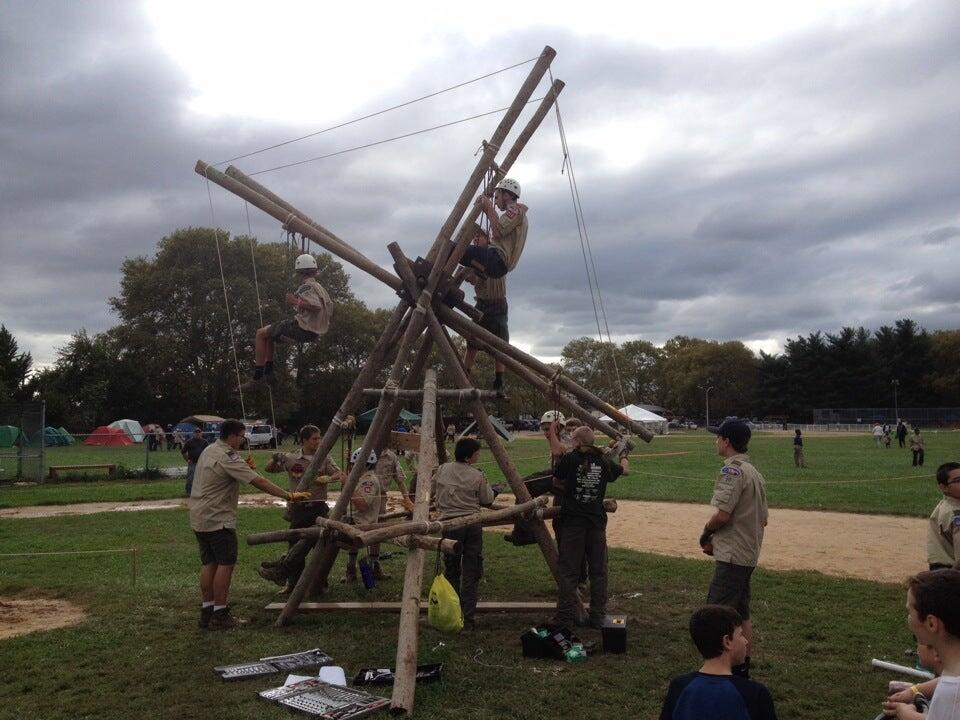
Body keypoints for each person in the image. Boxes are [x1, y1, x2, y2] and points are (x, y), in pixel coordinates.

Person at [189, 419, 311, 629]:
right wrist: (288, 495)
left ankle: (207, 611)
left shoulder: (210, 449)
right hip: (218, 519)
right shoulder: (228, 456)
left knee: (209, 563)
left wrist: (244, 467)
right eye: (241, 436)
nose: (243, 440)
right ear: (232, 436)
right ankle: (220, 614)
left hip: (200, 516)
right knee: (225, 564)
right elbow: (258, 481)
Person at [699, 417, 769, 679]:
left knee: (715, 614)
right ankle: (741, 668)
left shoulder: (733, 471)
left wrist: (707, 532)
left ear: (726, 441)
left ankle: (717, 671)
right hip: (747, 553)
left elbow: (722, 515)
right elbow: (763, 519)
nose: (715, 441)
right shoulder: (754, 472)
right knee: (741, 613)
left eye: (718, 437)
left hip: (732, 556)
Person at [552, 425, 628, 629]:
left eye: (572, 438)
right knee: (598, 571)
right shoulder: (603, 460)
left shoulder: (570, 458)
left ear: (578, 441)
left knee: (569, 572)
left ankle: (564, 619)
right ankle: (597, 616)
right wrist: (624, 455)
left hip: (573, 523)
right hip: (595, 522)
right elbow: (625, 471)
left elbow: (556, 478)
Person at [256, 425, 345, 592]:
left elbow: (339, 474)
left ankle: (319, 583)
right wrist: (275, 459)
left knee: (320, 547)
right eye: (314, 438)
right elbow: (269, 469)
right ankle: (292, 585)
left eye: (319, 438)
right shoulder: (292, 458)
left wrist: (328, 478)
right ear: (304, 440)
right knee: (295, 544)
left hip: (318, 507)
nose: (318, 441)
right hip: (299, 508)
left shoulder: (324, 457)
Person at [459, 179, 527, 392]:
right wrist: (470, 273)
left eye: (498, 196)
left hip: (497, 295)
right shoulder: (485, 258)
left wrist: (488, 207)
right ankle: (465, 376)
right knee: (473, 341)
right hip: (483, 301)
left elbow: (497, 231)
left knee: (500, 343)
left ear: (507, 195)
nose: (496, 201)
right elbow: (473, 279)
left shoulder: (515, 210)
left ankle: (498, 381)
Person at [659, 605, 778, 720]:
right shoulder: (754, 693)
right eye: (741, 635)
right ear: (727, 642)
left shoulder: (679, 687)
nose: (745, 641)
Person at [241, 253, 333, 391]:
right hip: (313, 332)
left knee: (260, 334)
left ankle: (257, 378)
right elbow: (328, 309)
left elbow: (316, 306)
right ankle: (269, 373)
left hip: (302, 328)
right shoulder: (321, 289)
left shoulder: (307, 286)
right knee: (269, 335)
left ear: (300, 272)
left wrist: (295, 301)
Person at [432, 438, 496, 627]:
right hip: (471, 524)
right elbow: (487, 499)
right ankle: (468, 615)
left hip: (449, 524)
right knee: (471, 568)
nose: (479, 455)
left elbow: (433, 488)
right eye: (477, 453)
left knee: (451, 567)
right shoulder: (478, 475)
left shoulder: (442, 469)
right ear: (469, 456)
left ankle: (452, 611)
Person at [881, 570, 960, 719]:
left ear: (931, 624)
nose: (908, 619)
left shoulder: (950, 694)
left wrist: (907, 714)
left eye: (910, 612)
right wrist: (914, 691)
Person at [371, 447, 414, 579]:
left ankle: (374, 564)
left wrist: (407, 499)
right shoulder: (366, 451)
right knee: (356, 526)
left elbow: (400, 479)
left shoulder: (391, 456)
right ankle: (350, 568)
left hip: (380, 497)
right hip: (362, 495)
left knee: (378, 530)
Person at [343, 448, 382, 584]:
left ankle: (369, 569)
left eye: (355, 463)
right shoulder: (361, 478)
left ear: (365, 464)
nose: (353, 466)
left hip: (364, 522)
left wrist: (348, 484)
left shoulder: (368, 481)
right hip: (355, 520)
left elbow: (363, 504)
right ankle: (351, 568)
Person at [927, 462, 960, 571]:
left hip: (939, 568)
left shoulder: (945, 503)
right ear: (944, 487)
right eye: (958, 481)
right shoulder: (956, 513)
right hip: (951, 572)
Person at [182, 427, 209, 497]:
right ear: (193, 434)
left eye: (199, 432)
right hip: (192, 463)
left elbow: (208, 452)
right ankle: (188, 492)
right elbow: (183, 452)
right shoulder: (189, 442)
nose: (198, 434)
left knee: (202, 478)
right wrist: (187, 460)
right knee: (190, 478)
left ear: (201, 434)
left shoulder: (205, 442)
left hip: (202, 463)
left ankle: (202, 492)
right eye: (196, 432)